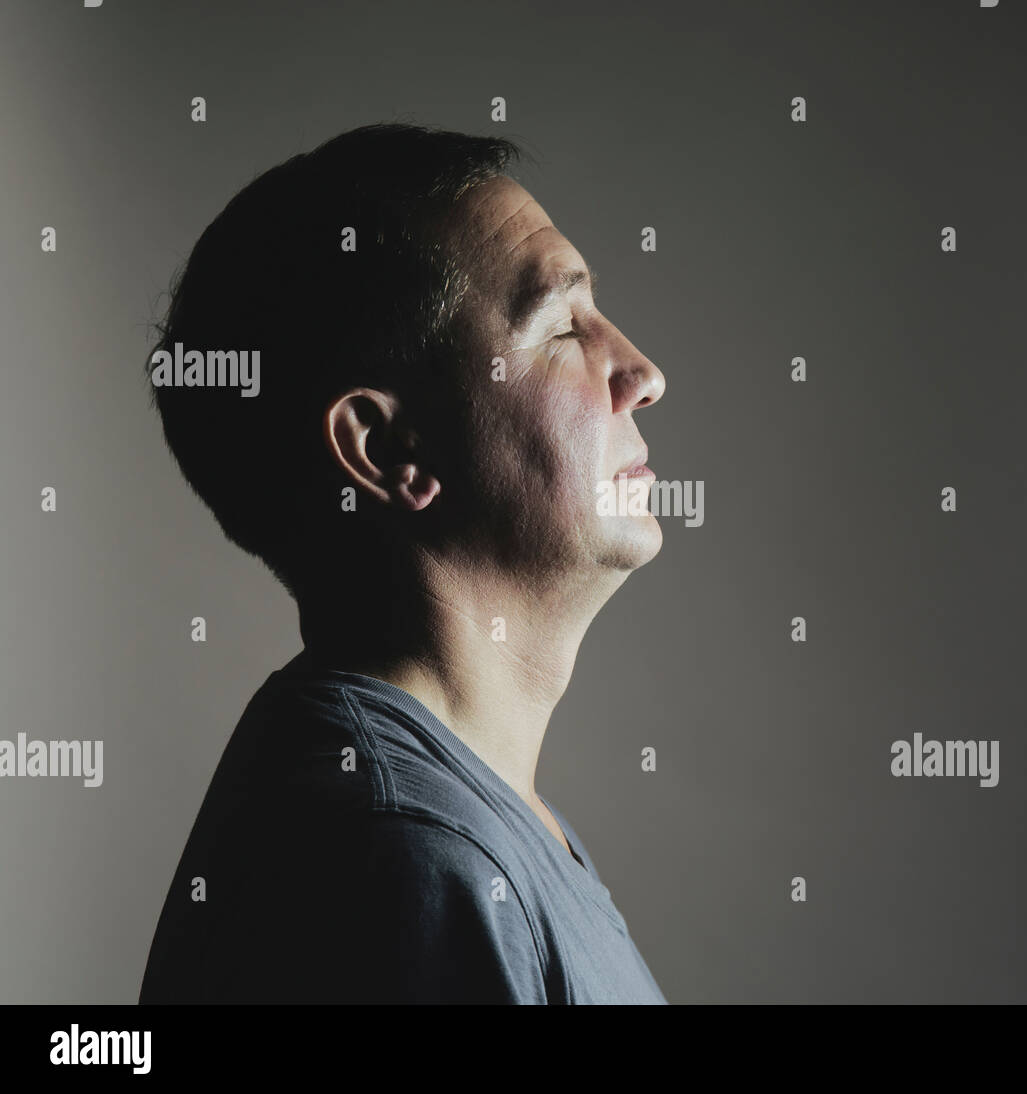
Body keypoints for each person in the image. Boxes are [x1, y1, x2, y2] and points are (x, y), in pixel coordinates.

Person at [138, 123, 668, 1004]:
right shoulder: (407, 859)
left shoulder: (465, 818)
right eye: (561, 327)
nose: (642, 373)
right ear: (387, 449)